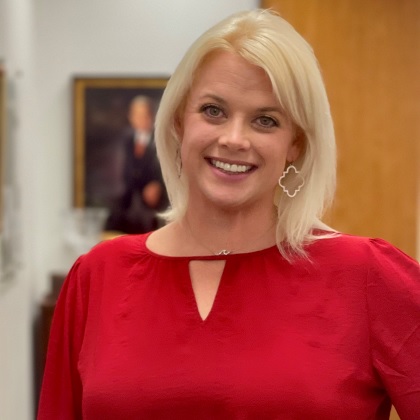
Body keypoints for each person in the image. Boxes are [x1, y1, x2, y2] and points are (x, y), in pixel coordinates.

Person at [38, 9, 420, 419]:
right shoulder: (98, 276)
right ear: (179, 121)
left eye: (265, 120)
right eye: (213, 111)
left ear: (295, 145)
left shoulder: (365, 276)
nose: (234, 139)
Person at [105, 95, 168, 233]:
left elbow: (169, 169)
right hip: (130, 197)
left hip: (153, 201)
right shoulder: (127, 140)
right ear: (131, 117)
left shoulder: (161, 140)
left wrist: (158, 185)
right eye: (136, 115)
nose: (139, 119)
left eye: (143, 115)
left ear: (150, 117)